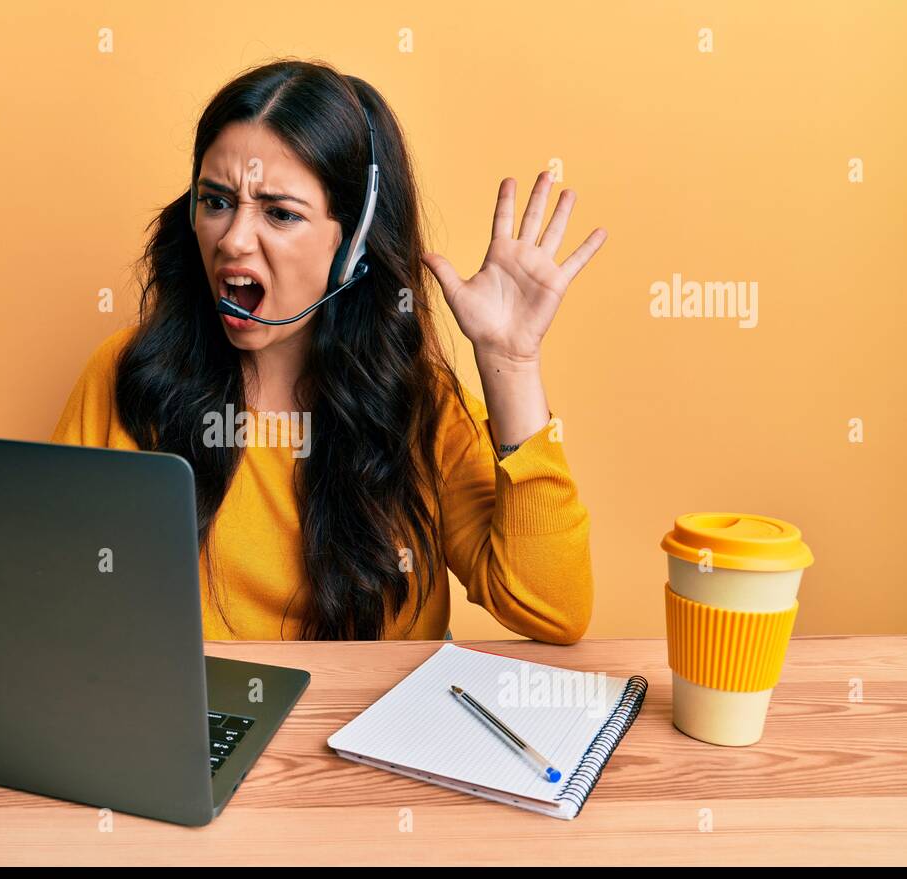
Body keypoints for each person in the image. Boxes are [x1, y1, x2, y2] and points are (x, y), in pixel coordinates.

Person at [50, 58, 606, 643]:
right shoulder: (129, 376)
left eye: (280, 213)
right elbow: (52, 594)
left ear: (353, 247)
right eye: (216, 202)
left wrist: (511, 363)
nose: (234, 239)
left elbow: (552, 609)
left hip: (367, 732)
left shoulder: (424, 409)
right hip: (200, 732)